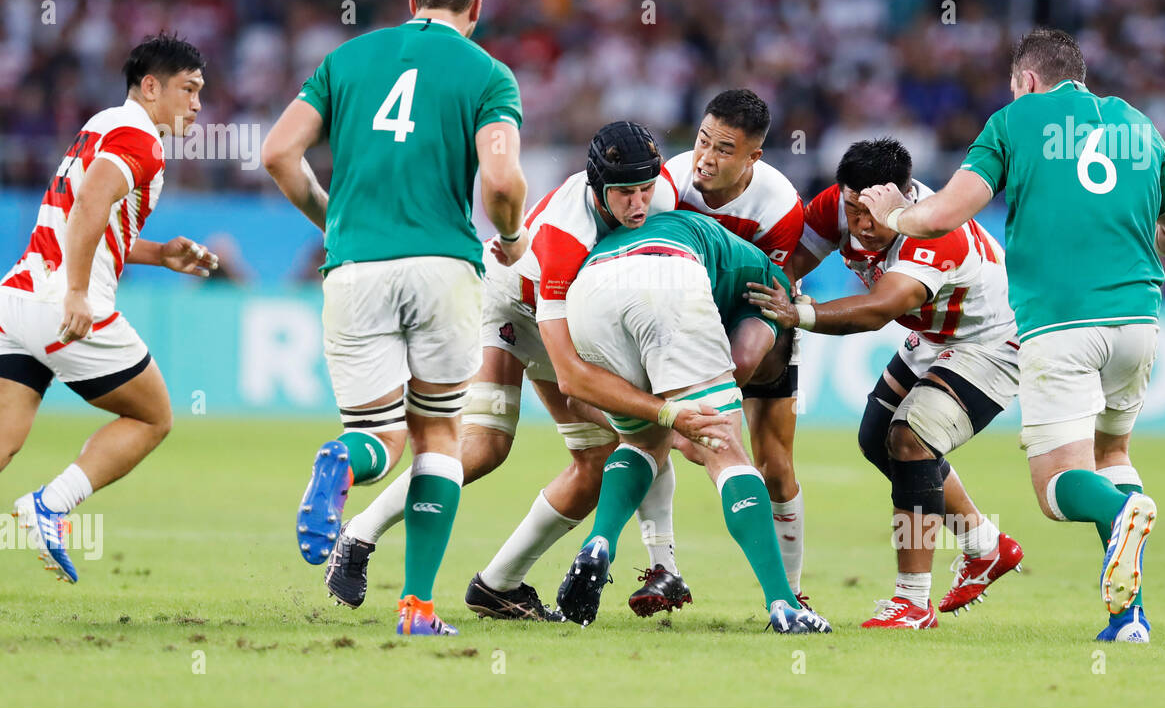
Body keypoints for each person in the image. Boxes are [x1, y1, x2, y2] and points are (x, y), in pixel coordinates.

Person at [860, 28, 1165, 642]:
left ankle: (1120, 514)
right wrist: (1116, 244)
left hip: (1059, 326)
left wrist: (893, 215)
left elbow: (941, 214)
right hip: (1140, 323)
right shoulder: (1139, 125)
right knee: (1115, 457)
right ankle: (1129, 618)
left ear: (1026, 81)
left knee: (1057, 489)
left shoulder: (1016, 121)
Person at [323, 121, 701, 619]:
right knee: (487, 446)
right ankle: (358, 536)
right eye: (624, 193)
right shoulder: (567, 241)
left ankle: (499, 585)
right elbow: (570, 374)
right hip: (511, 306)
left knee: (596, 465)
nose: (638, 203)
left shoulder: (662, 193)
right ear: (596, 188)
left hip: (569, 314)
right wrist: (654, 412)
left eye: (644, 189)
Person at [261, 0, 529, 637]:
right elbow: (501, 182)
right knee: (439, 433)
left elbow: (276, 154)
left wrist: (333, 220)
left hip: (354, 267)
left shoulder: (343, 61)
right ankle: (416, 608)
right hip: (442, 267)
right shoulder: (488, 74)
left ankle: (345, 459)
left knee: (375, 435)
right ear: (477, 6)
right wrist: (511, 234)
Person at [752, 138, 1024, 628]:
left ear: (902, 198)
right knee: (876, 441)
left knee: (909, 440)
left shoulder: (935, 229)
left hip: (991, 341)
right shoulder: (839, 206)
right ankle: (986, 546)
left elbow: (879, 309)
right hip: (935, 333)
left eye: (872, 212)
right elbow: (789, 265)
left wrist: (800, 313)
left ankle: (913, 602)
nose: (860, 224)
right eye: (852, 208)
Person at [2, 33, 218, 583]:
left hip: (18, 298)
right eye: (187, 90)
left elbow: (94, 220)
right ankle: (49, 506)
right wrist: (76, 292)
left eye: (200, 92)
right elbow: (91, 201)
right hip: (63, 305)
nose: (196, 104)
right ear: (151, 87)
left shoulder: (101, 124)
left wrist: (158, 254)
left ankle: (45, 506)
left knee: (4, 440)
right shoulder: (142, 140)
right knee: (153, 416)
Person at [554, 210, 832, 635]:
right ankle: (783, 603)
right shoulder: (774, 292)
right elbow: (740, 361)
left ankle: (599, 540)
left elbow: (584, 397)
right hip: (668, 278)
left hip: (589, 291)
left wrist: (669, 417)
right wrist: (698, 426)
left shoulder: (680, 223)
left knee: (642, 442)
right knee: (725, 447)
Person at [632, 88, 810, 613]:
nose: (706, 158)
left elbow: (764, 295)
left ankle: (792, 592)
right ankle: (663, 568)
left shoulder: (779, 207)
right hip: (678, 317)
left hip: (748, 313)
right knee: (652, 438)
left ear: (754, 156)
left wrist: (732, 365)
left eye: (724, 149)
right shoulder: (668, 185)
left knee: (774, 466)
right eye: (703, 141)